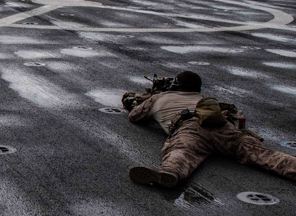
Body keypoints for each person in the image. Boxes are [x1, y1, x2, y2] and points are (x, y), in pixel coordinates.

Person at [125, 70, 296, 187]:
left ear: (175, 84)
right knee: (261, 153)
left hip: (190, 127)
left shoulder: (159, 97)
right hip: (221, 125)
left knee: (182, 152)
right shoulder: (201, 98)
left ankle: (169, 171)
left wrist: (150, 98)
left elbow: (134, 116)